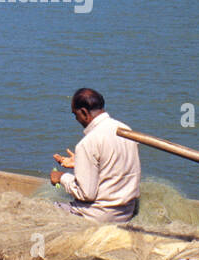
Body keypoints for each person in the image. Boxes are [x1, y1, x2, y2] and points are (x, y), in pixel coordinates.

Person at [50, 88, 140, 223]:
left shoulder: (88, 143)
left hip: (98, 216)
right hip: (126, 212)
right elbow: (114, 165)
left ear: (84, 113)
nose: (76, 119)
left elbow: (86, 194)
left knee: (41, 209)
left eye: (76, 115)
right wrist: (79, 163)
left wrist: (61, 177)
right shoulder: (126, 130)